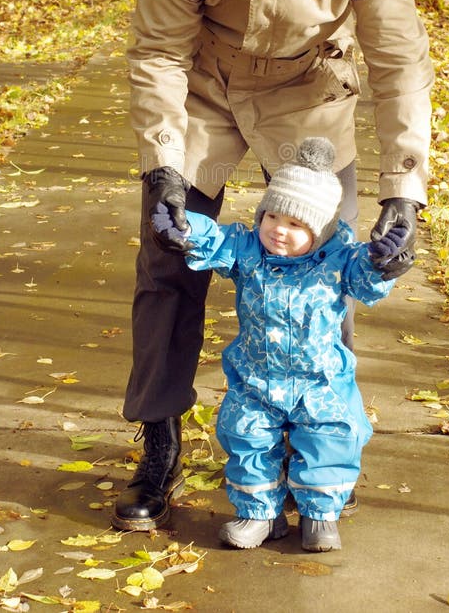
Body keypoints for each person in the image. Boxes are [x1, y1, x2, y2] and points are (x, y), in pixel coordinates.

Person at [111, 0, 433, 534]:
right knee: (167, 263)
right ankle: (159, 441)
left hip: (309, 93)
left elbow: (399, 63)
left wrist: (404, 192)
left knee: (329, 272)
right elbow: (158, 51)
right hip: (204, 91)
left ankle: (317, 453)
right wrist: (164, 168)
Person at [151, 137, 410, 552]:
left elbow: (368, 277)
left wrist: (384, 261)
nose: (278, 230)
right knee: (248, 438)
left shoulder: (340, 258)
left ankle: (320, 515)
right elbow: (213, 239)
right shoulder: (249, 249)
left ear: (320, 232)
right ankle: (259, 514)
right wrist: (185, 225)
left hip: (320, 382)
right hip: (256, 379)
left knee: (329, 439)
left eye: (295, 225)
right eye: (271, 216)